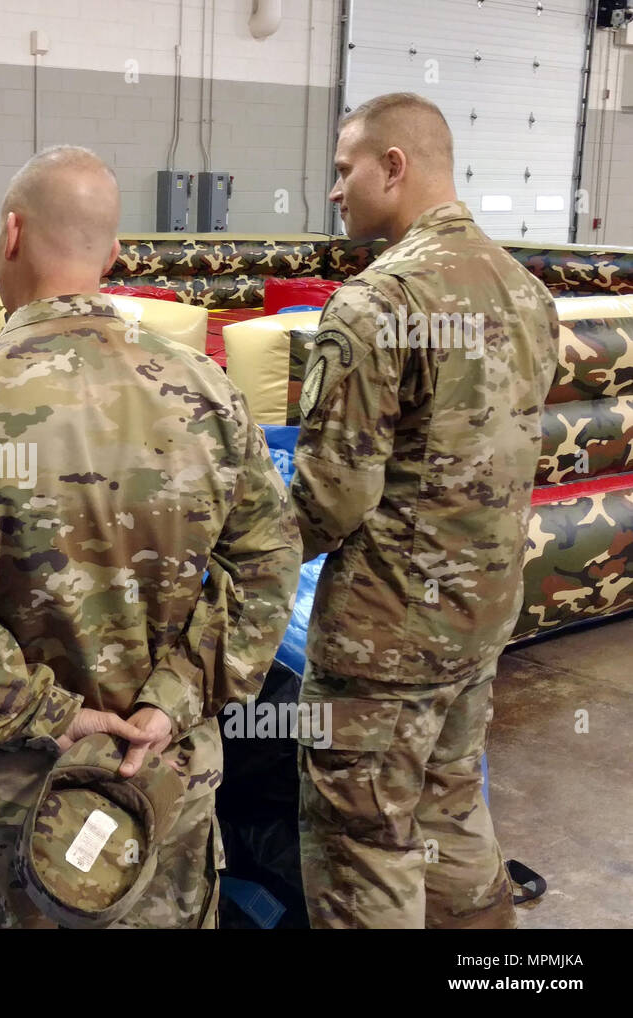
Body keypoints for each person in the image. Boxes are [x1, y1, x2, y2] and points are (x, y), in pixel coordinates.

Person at [0, 145, 302, 929]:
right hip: (158, 787)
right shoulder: (210, 394)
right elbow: (269, 571)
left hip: (4, 808)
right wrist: (172, 698)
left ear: (10, 234)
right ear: (113, 254)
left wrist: (49, 715)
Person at [291, 93, 560, 928]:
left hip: (386, 640)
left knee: (364, 841)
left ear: (393, 167)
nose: (336, 192)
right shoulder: (525, 293)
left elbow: (328, 499)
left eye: (345, 171)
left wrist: (217, 546)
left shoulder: (378, 304)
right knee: (447, 810)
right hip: (480, 618)